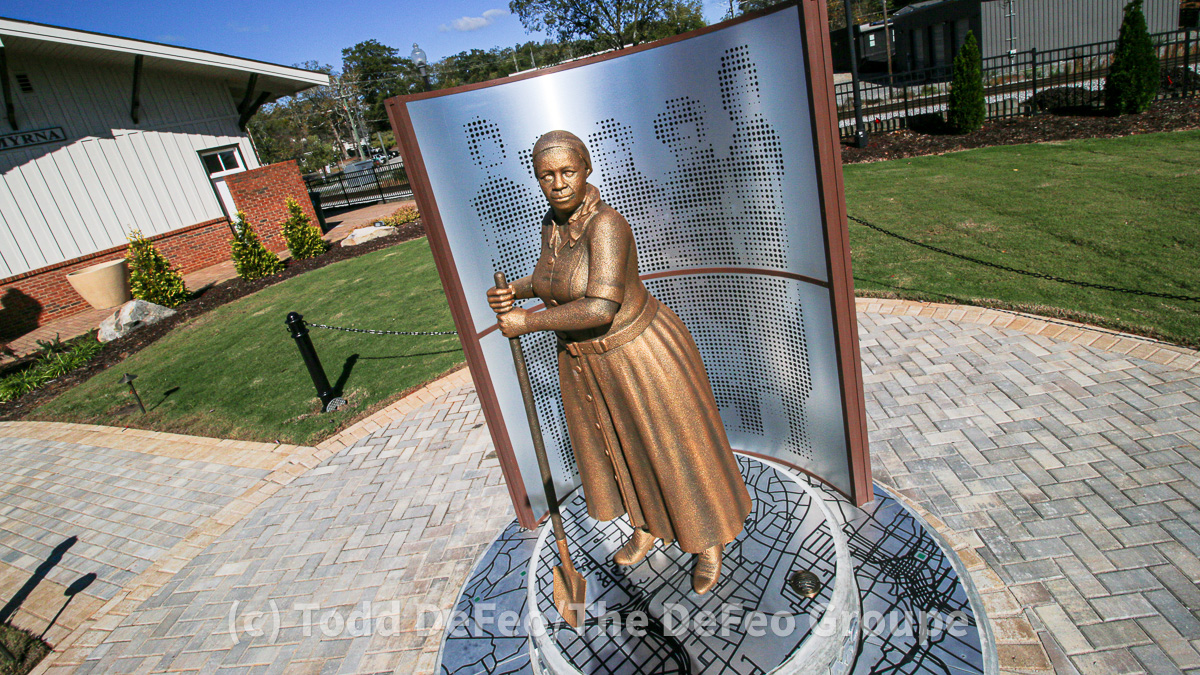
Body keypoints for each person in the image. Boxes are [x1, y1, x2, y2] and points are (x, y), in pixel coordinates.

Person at [487, 130, 752, 594]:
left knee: (674, 450)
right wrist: (518, 291)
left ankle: (708, 539)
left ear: (587, 169)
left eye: (568, 171)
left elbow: (599, 308)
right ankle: (648, 523)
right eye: (547, 176)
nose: (559, 183)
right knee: (620, 449)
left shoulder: (607, 225)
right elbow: (555, 279)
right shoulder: (552, 224)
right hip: (587, 363)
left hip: (639, 355)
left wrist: (526, 322)